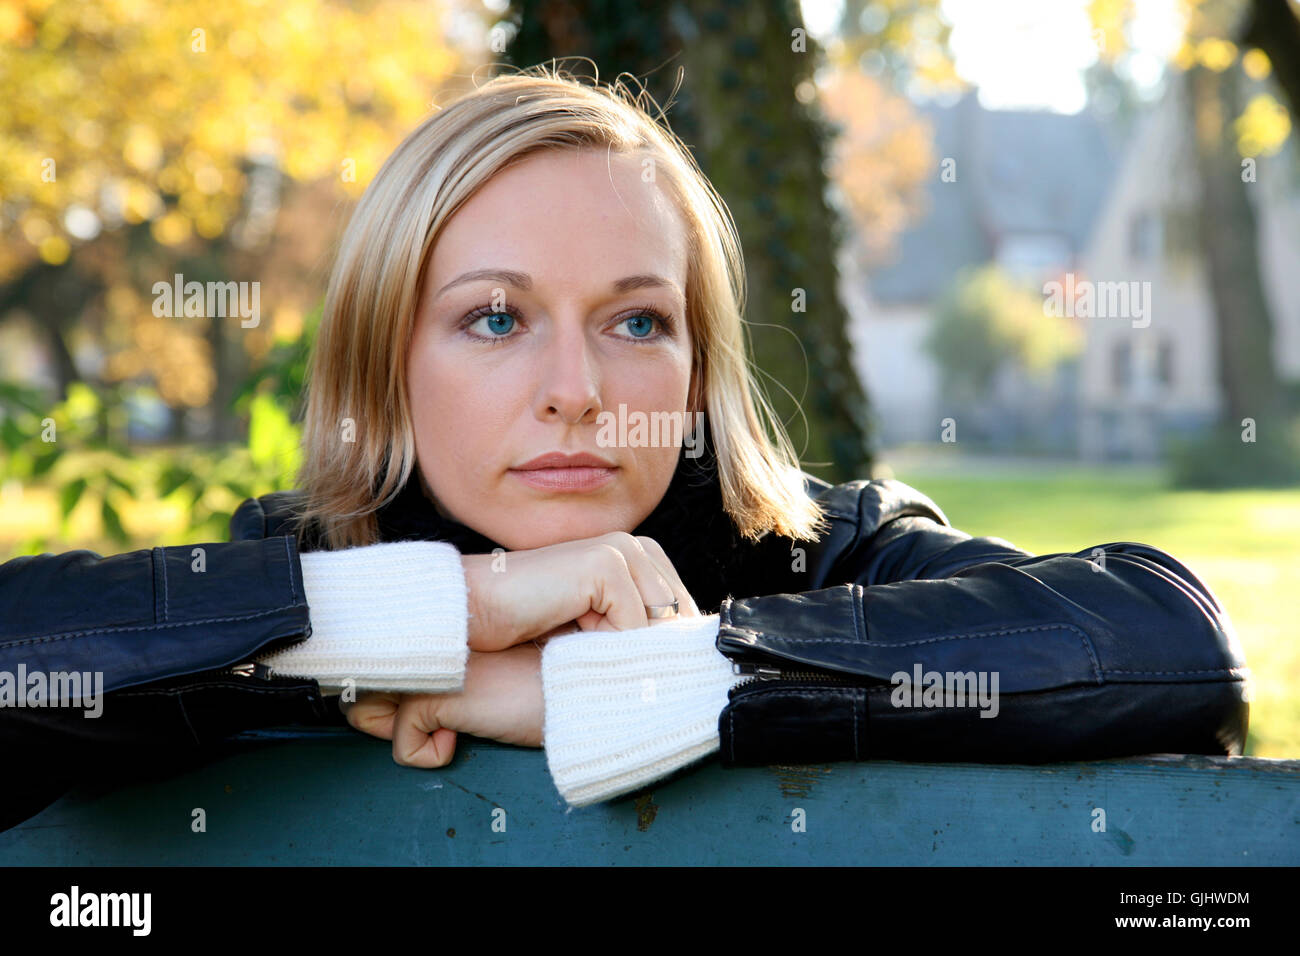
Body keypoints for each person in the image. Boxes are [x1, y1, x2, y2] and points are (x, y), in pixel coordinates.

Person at [0, 67, 1250, 830]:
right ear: (388, 362)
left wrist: (648, 683)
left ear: (697, 366)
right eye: (494, 317)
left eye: (636, 320)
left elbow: (1172, 645)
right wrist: (436, 614)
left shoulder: (815, 556)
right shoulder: (316, 579)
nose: (577, 390)